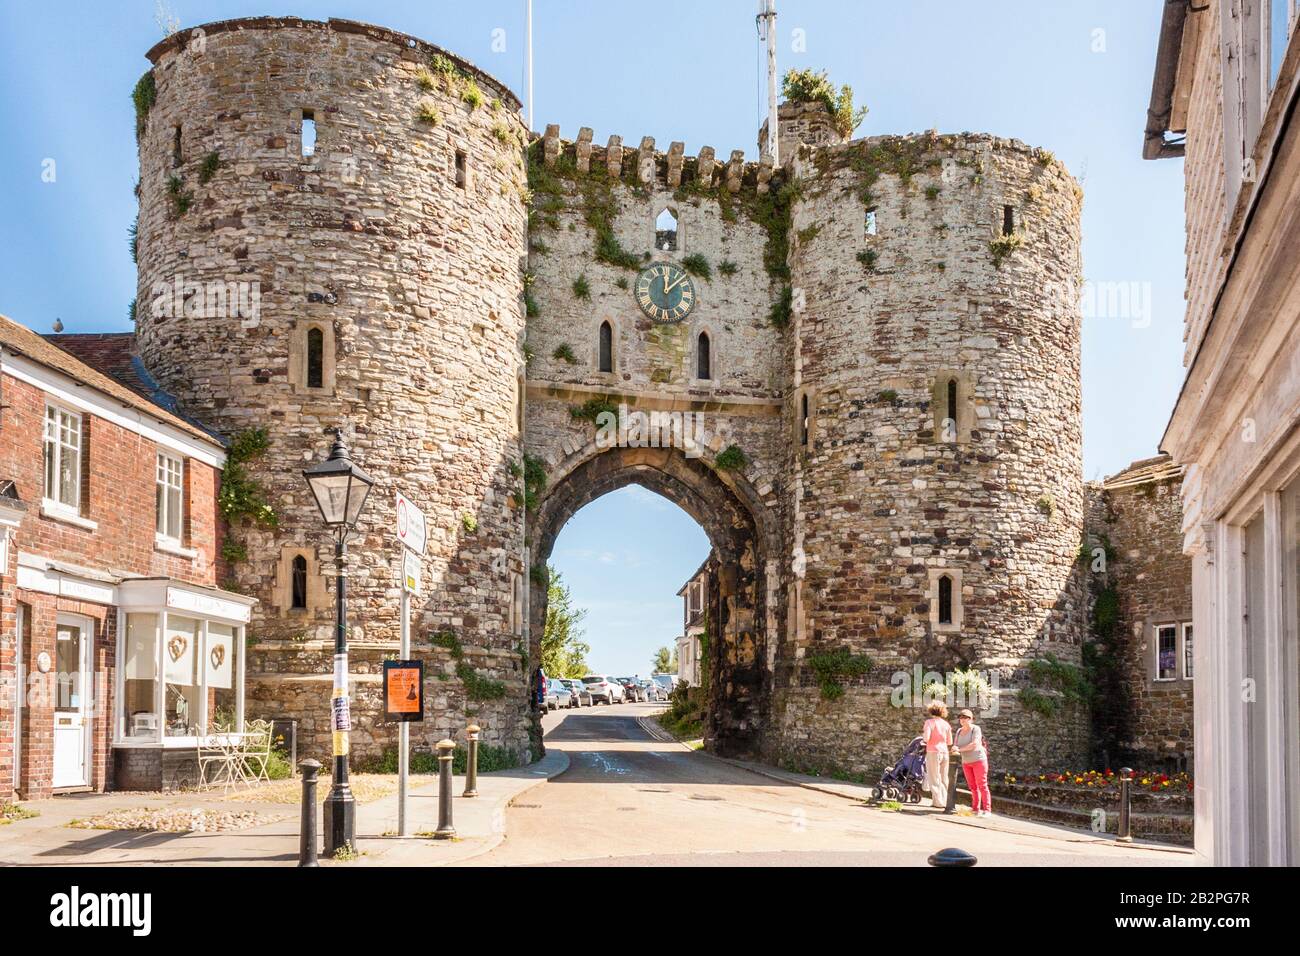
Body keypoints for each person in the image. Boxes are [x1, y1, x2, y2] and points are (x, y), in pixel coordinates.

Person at [954, 709, 992, 817]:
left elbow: (974, 744)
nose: (962, 720)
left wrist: (959, 750)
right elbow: (956, 745)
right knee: (972, 786)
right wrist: (954, 747)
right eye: (961, 717)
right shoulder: (959, 731)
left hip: (979, 760)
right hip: (966, 762)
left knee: (982, 785)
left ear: (970, 719)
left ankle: (987, 810)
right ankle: (975, 809)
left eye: (965, 717)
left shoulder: (976, 729)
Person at [921, 702, 953, 809]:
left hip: (933, 751)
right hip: (945, 752)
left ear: (931, 711)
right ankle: (942, 801)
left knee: (934, 777)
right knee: (944, 778)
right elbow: (949, 742)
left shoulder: (929, 722)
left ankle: (939, 802)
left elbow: (926, 738)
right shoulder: (946, 724)